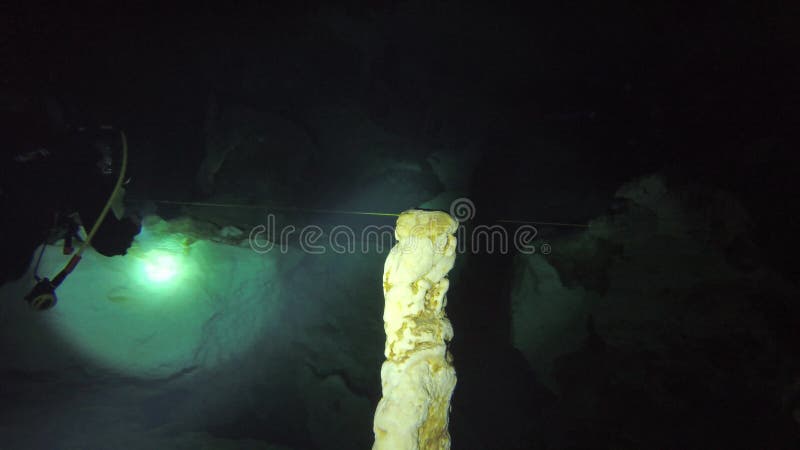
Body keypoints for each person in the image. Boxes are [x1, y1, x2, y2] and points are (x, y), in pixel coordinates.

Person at [0, 125, 140, 286]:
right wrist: (133, 223)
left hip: (13, 209)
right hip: (13, 228)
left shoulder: (55, 150)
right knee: (12, 267)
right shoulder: (82, 168)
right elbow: (109, 242)